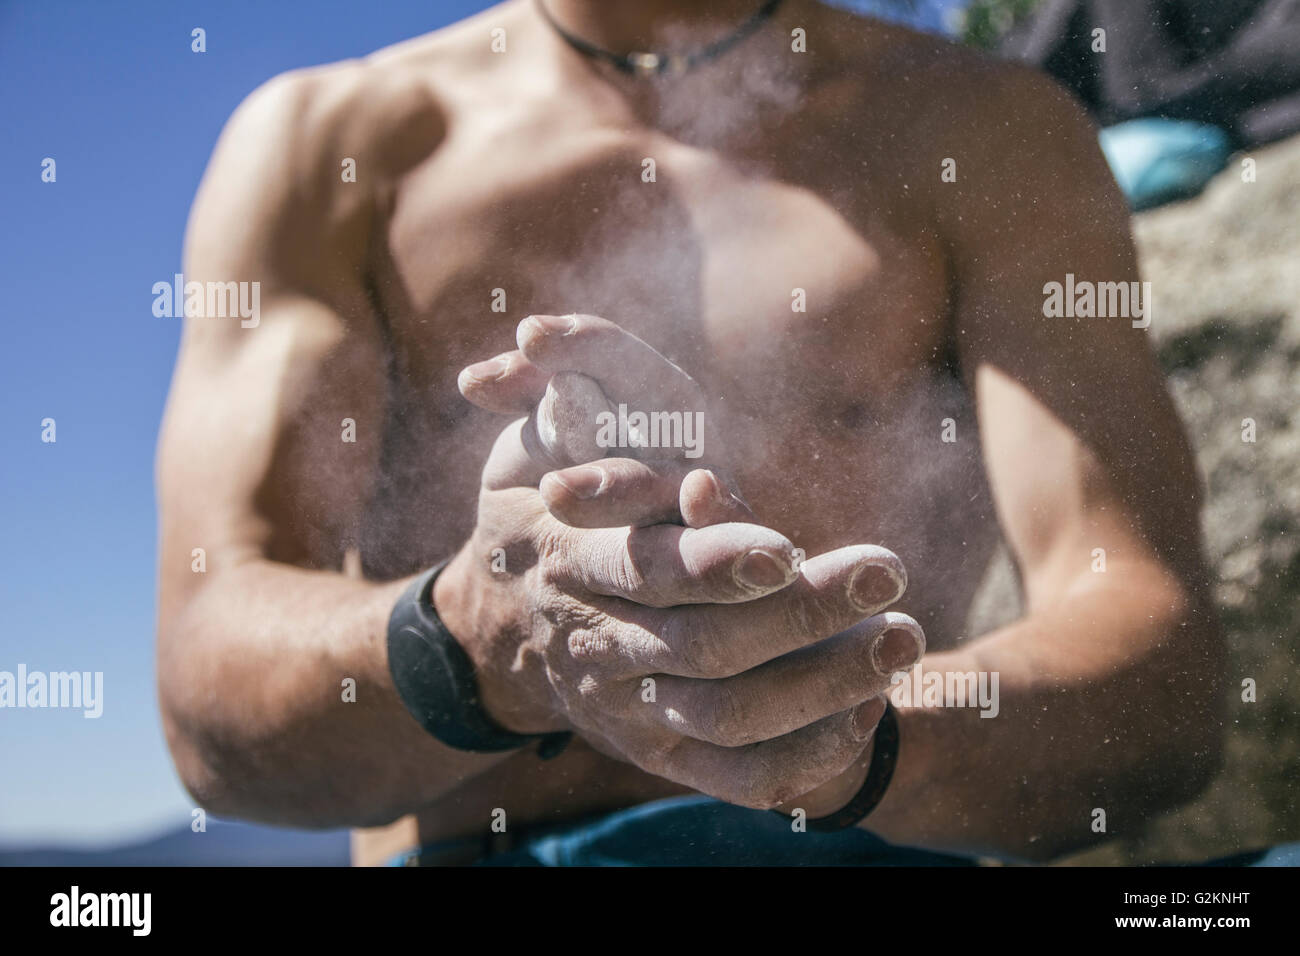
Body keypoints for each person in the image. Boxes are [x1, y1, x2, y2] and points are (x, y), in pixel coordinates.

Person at [157, 0, 1225, 866]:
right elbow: (209, 684)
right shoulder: (334, 145)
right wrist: (485, 635)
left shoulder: (984, 130)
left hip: (870, 843)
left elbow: (1152, 654)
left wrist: (835, 736)